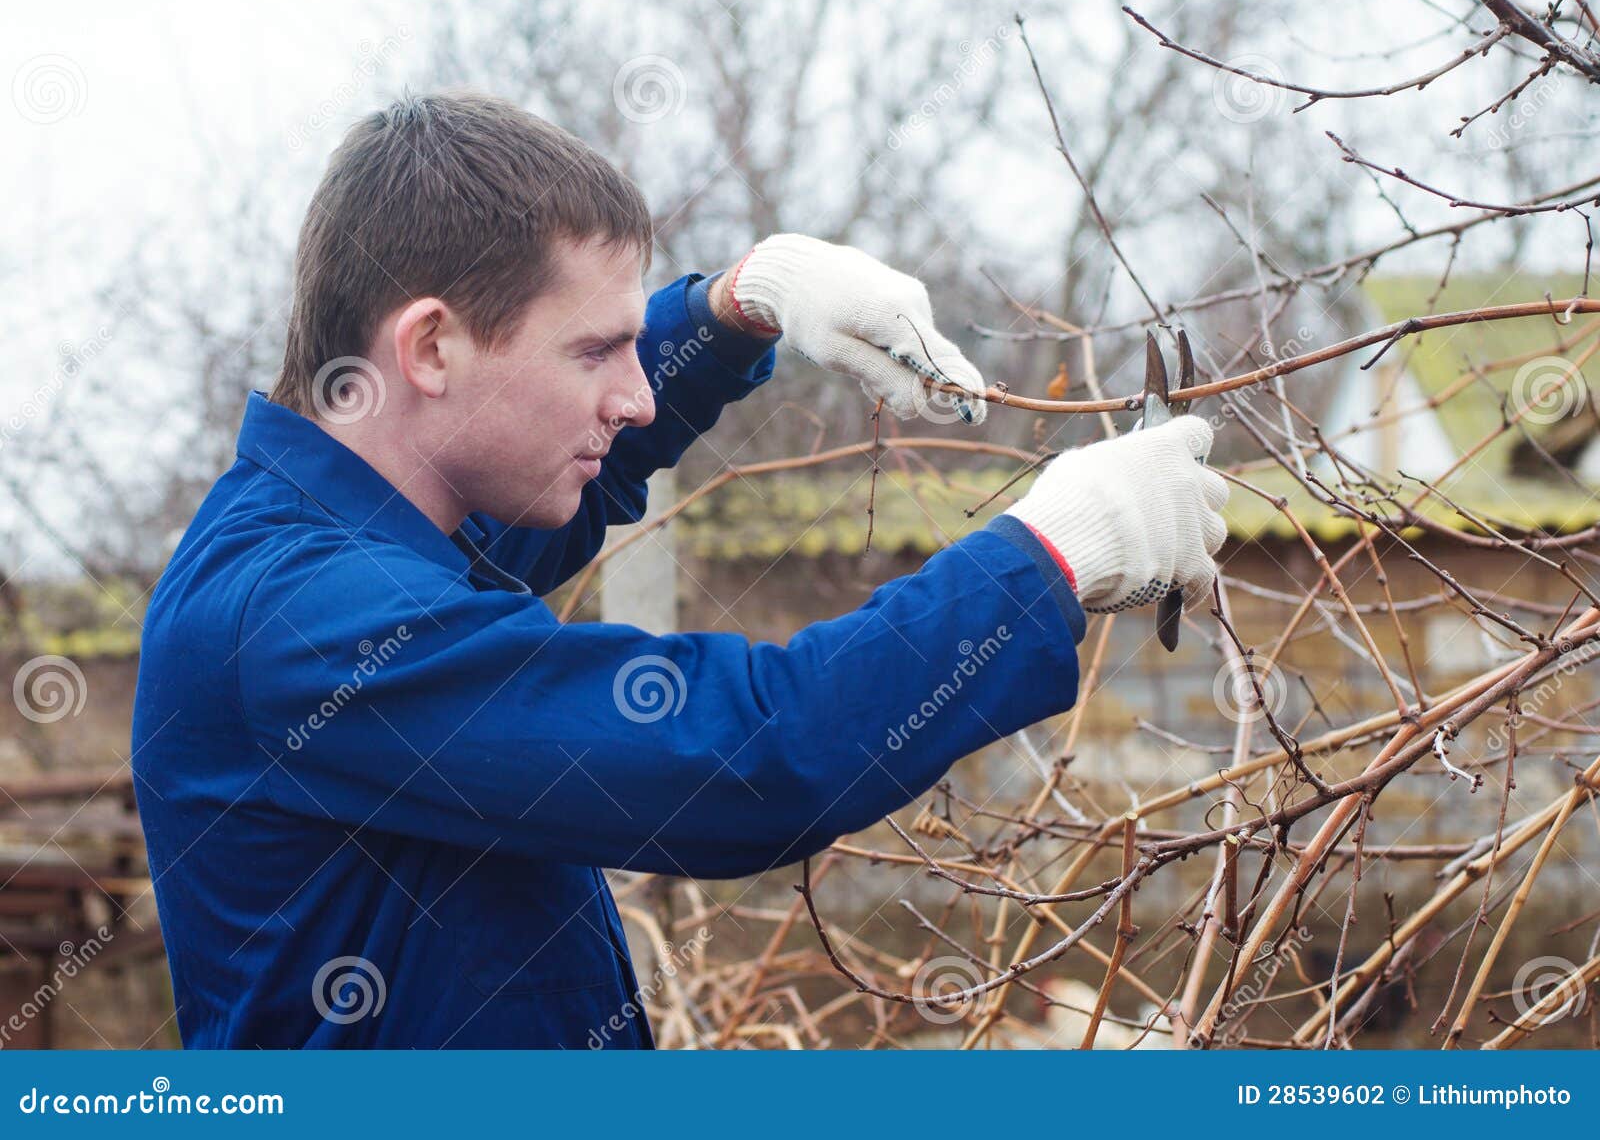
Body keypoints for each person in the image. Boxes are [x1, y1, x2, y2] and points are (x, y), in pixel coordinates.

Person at [131, 91, 1228, 1048]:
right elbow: (745, 760)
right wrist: (1045, 557)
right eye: (592, 351)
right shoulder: (297, 622)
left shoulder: (357, 537)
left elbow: (568, 482)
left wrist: (734, 306)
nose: (634, 396)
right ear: (429, 349)